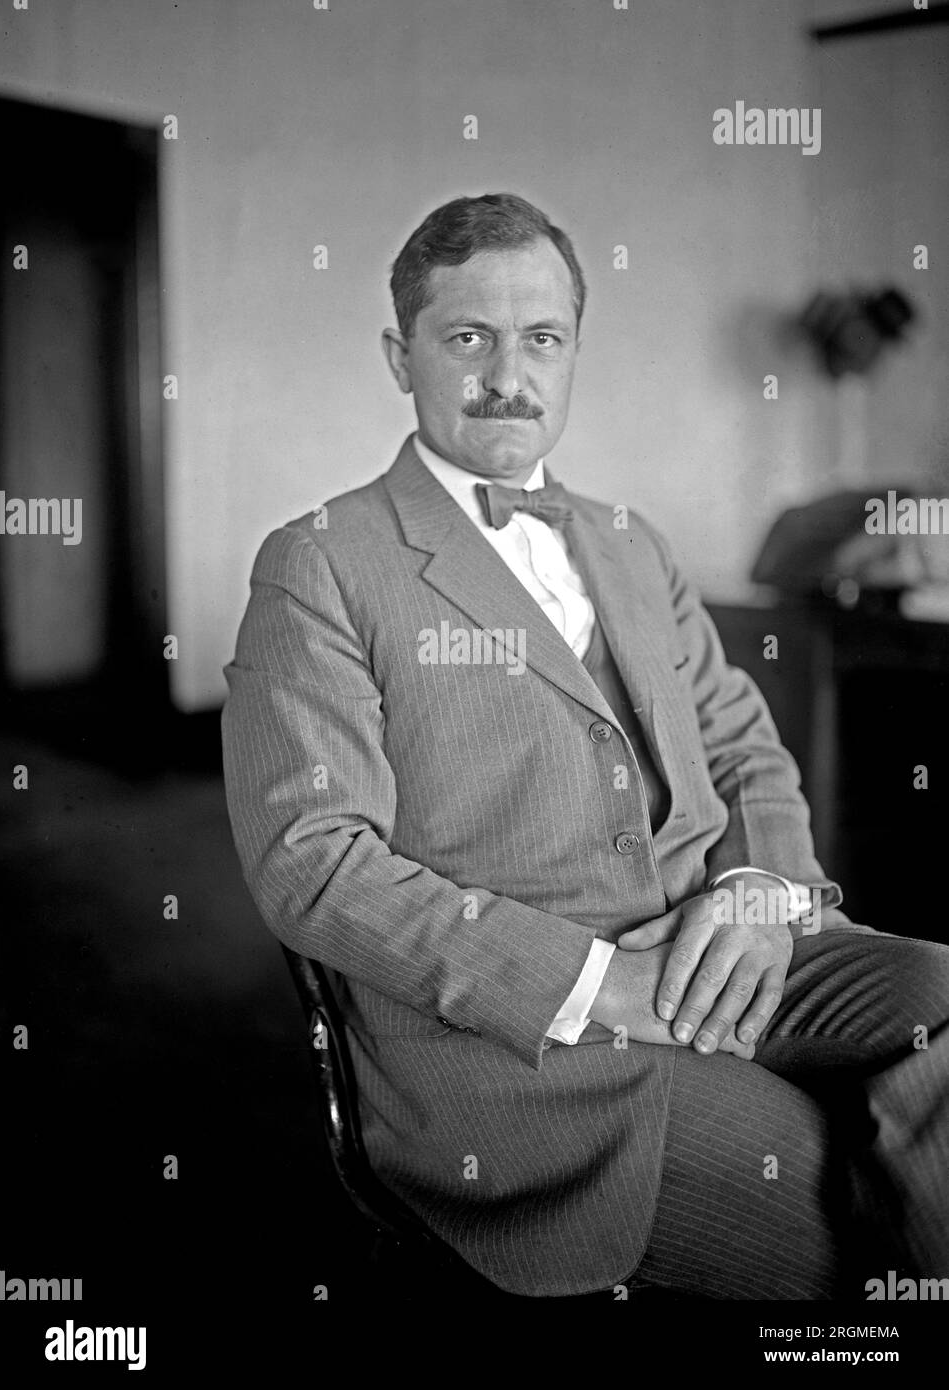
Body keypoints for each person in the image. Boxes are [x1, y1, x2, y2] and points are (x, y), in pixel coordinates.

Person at [221, 193, 949, 1300]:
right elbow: (313, 861)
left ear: (571, 356)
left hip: (741, 945)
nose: (508, 374)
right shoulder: (317, 563)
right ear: (398, 355)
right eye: (467, 338)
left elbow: (747, 746)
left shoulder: (628, 540)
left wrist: (756, 893)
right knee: (840, 1203)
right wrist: (608, 988)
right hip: (531, 1048)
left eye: (541, 339)